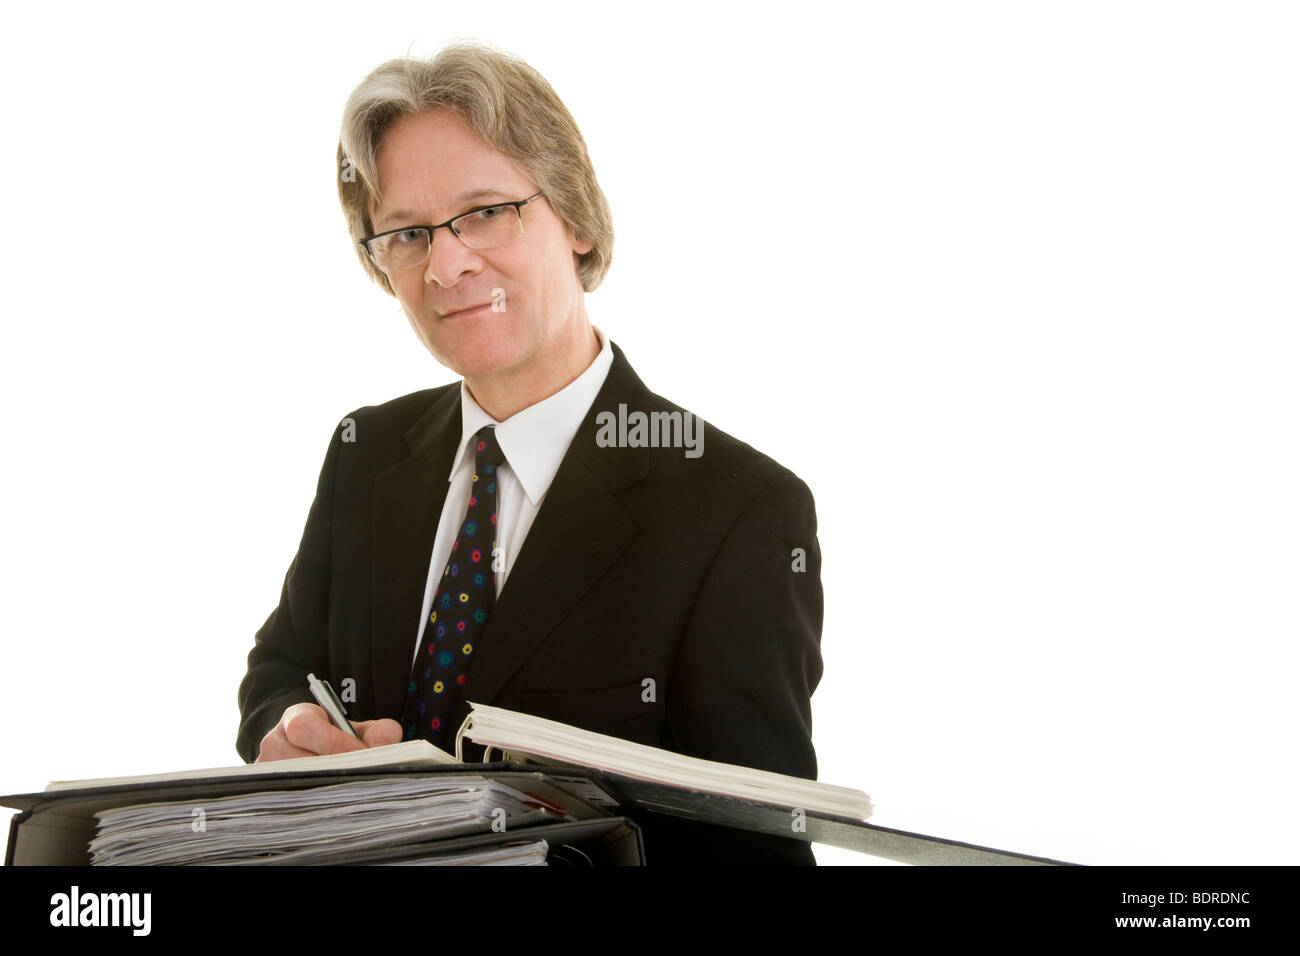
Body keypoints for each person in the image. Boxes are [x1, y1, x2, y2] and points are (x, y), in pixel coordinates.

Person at [236, 42, 824, 864]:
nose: (446, 265)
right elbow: (282, 669)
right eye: (407, 232)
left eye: (484, 211)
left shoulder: (739, 511)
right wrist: (289, 724)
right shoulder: (365, 454)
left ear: (576, 219)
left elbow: (754, 853)